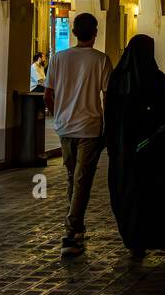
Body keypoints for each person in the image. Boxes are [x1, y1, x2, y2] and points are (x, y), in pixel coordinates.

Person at [103, 34, 165, 260]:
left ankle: (134, 239)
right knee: (153, 193)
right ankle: (155, 236)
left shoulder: (118, 77)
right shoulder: (155, 77)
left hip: (125, 148)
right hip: (152, 149)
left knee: (128, 192)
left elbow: (110, 113)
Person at [44, 13, 113, 258]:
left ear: (73, 33)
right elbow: (108, 96)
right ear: (95, 33)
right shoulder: (101, 60)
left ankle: (76, 227)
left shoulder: (58, 59)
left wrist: (60, 115)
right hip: (90, 127)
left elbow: (48, 94)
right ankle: (72, 231)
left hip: (65, 127)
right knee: (81, 178)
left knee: (74, 176)